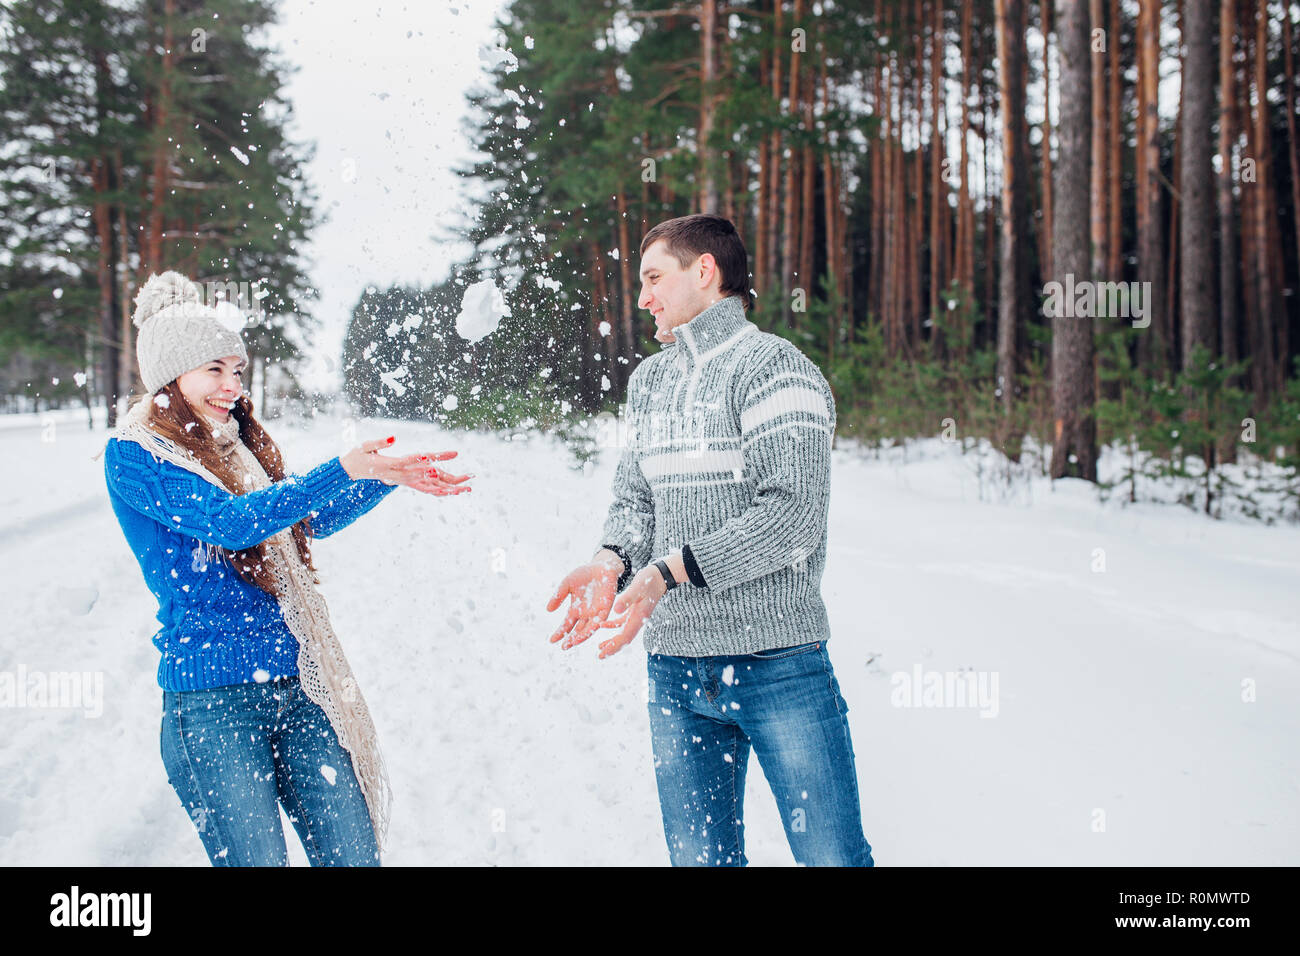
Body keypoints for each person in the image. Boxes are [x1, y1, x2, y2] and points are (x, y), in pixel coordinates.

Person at [99, 271, 471, 866]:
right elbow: (233, 523)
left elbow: (299, 524)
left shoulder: (234, 449)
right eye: (213, 370)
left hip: (297, 686)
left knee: (354, 857)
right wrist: (342, 467)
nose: (231, 386)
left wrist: (381, 478)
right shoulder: (136, 454)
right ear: (172, 377)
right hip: (212, 704)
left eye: (236, 370)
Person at [546, 214, 874, 866]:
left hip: (776, 661)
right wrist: (612, 561)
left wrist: (668, 572)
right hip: (674, 673)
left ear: (705, 272)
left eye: (653, 277)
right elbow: (636, 499)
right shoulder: (652, 383)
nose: (642, 298)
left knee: (833, 859)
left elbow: (792, 517)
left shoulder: (774, 369)